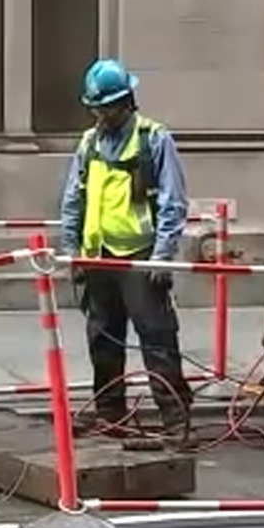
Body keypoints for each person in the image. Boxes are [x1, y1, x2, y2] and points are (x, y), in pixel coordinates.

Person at [59, 58, 196, 439]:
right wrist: (73, 251)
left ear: (126, 102)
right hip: (98, 256)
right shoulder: (89, 144)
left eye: (107, 107)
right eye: (96, 108)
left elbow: (173, 202)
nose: (101, 114)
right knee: (103, 340)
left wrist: (162, 255)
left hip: (140, 258)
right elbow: (74, 199)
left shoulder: (154, 139)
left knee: (157, 339)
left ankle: (175, 419)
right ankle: (110, 414)